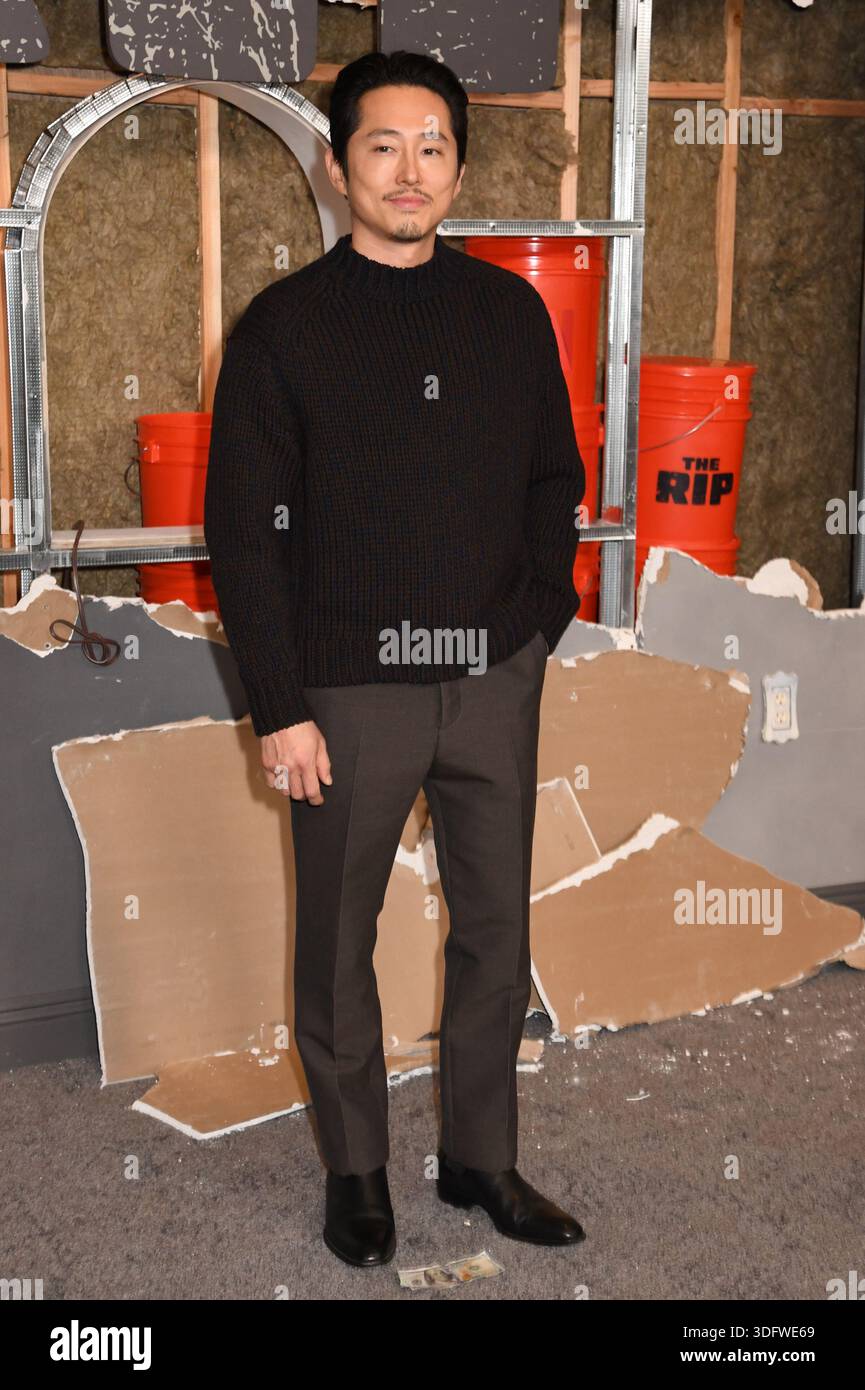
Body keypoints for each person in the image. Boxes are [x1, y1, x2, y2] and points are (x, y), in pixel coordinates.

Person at [204, 48, 587, 1269]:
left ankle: (481, 1156)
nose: (409, 169)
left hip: (490, 679)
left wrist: (532, 631)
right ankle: (357, 1171)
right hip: (343, 692)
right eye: (382, 145)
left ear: (458, 166)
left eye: (432, 146)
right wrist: (279, 705)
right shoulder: (281, 331)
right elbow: (241, 540)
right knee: (337, 941)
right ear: (336, 164)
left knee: (494, 932)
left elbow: (553, 484)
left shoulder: (507, 313)